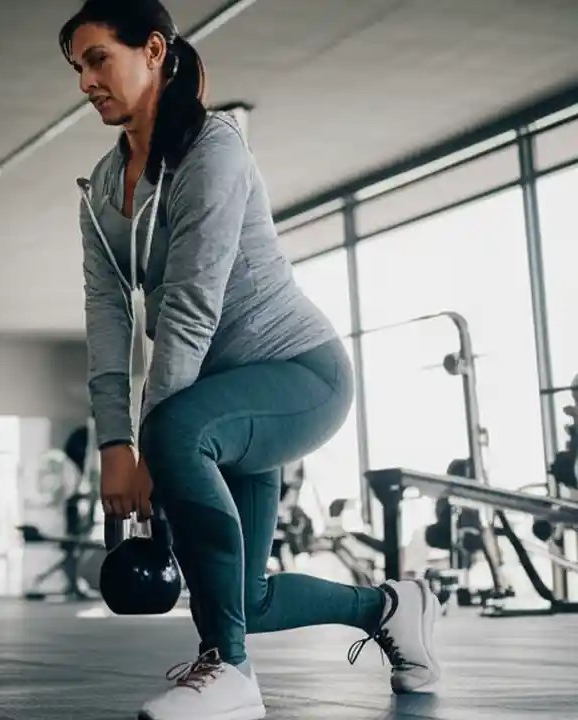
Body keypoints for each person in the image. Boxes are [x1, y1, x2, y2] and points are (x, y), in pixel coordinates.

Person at [60, 2, 441, 719]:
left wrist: (152, 446)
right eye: (77, 66)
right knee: (240, 597)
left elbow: (192, 304)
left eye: (97, 58)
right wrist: (114, 441)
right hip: (222, 401)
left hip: (299, 372)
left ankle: (230, 673)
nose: (85, 81)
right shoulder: (103, 191)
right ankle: (393, 607)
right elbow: (107, 318)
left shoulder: (214, 149)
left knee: (176, 432)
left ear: (152, 50)